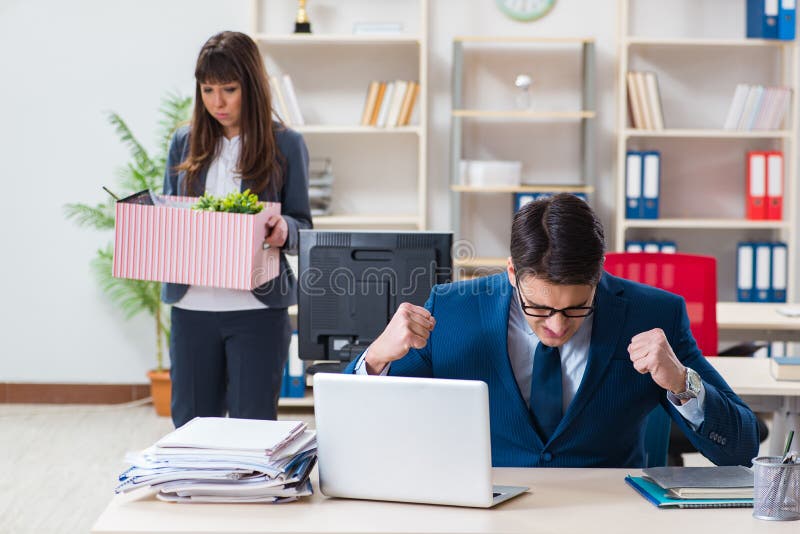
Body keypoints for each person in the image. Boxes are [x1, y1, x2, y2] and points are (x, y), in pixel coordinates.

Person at [345, 193, 759, 468]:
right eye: (539, 308)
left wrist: (682, 382)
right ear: (512, 273)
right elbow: (355, 430)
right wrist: (377, 357)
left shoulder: (654, 315)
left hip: (608, 515)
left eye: (578, 307)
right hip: (487, 509)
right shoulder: (452, 311)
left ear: (598, 277)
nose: (558, 326)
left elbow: (743, 446)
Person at [162, 31, 311, 428]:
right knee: (190, 430)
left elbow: (303, 224)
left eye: (229, 89)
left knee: (253, 430)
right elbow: (168, 213)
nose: (217, 102)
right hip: (191, 309)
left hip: (257, 311)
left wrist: (284, 230)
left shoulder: (286, 145)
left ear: (252, 85)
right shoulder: (184, 142)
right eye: (208, 89)